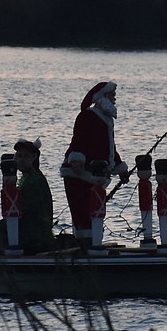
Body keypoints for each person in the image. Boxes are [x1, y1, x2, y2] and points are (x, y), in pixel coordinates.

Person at [0, 138, 56, 253]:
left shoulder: (34, 181)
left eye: (26, 156)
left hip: (32, 235)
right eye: (19, 156)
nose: (21, 160)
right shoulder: (27, 178)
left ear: (34, 158)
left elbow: (24, 213)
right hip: (26, 230)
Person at [61, 81, 126, 234]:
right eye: (112, 95)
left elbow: (109, 147)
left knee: (94, 211)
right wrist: (77, 160)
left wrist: (119, 167)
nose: (114, 99)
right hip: (79, 174)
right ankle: (86, 244)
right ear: (102, 98)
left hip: (96, 175)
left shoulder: (106, 120)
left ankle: (93, 240)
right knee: (82, 214)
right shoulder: (87, 116)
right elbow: (79, 140)